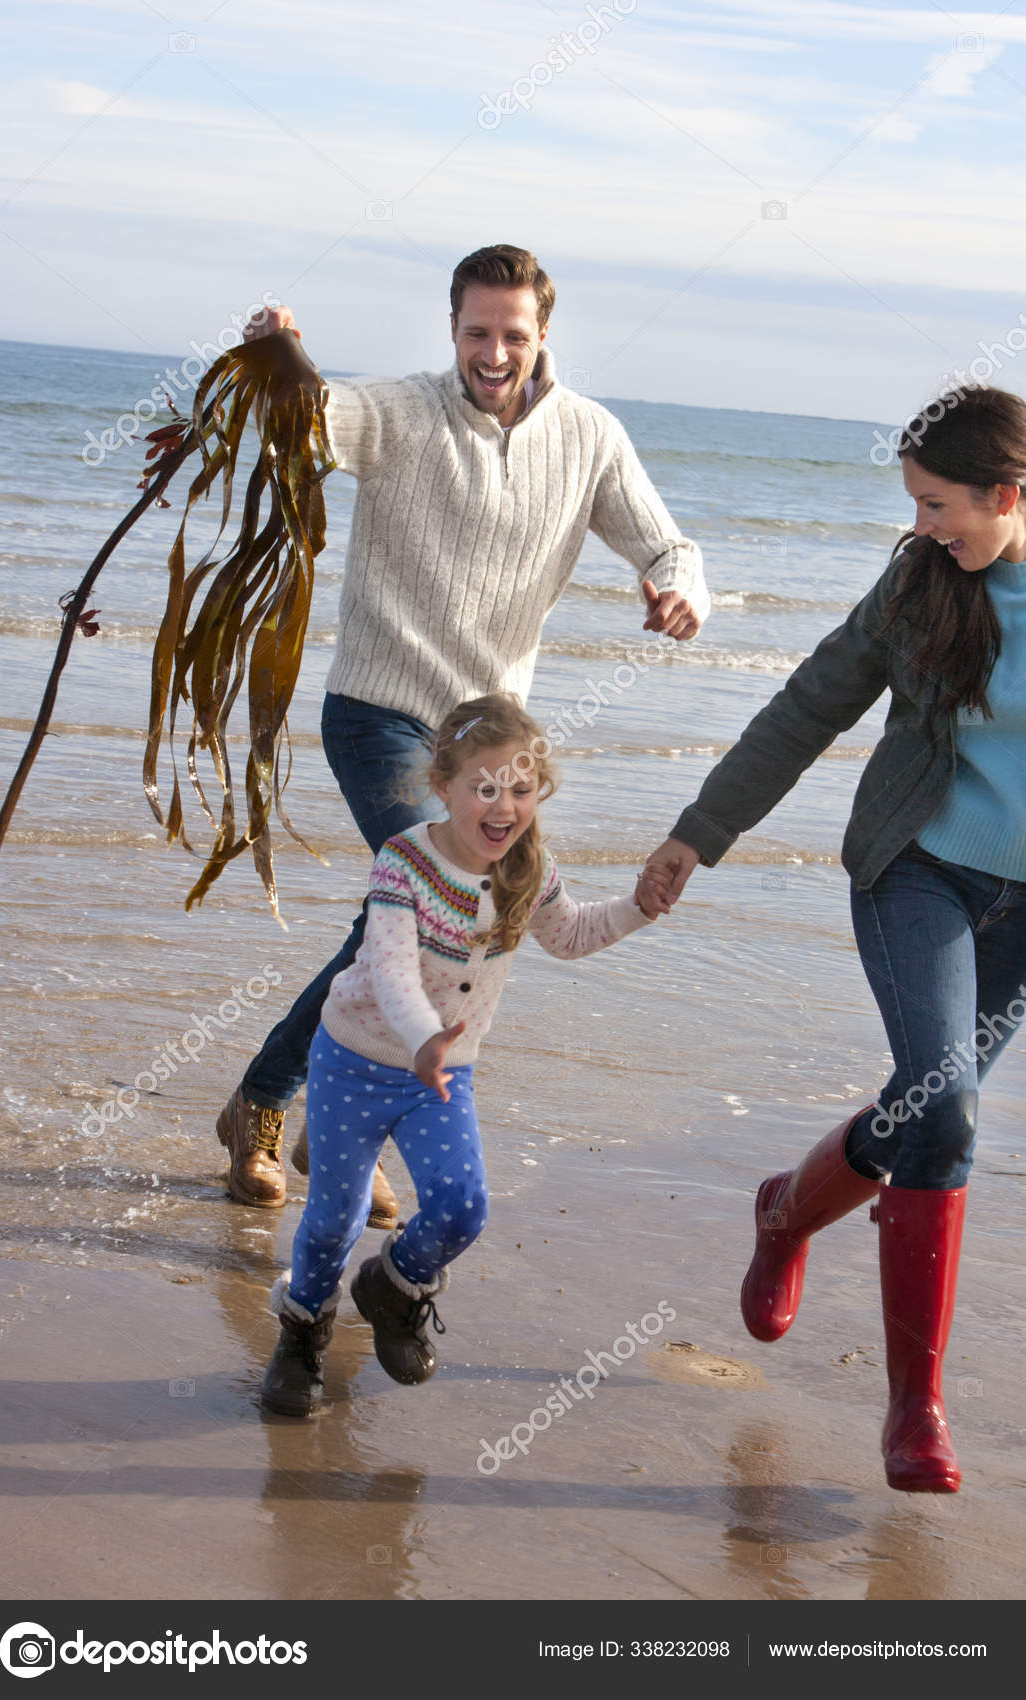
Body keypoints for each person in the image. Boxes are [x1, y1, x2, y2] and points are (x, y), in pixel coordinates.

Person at [217, 243, 709, 1219]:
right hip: (377, 713)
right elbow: (310, 421)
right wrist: (279, 361)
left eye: (512, 334)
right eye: (476, 331)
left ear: (540, 336)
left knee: (410, 917)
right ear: (451, 329)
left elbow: (666, 540)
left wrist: (679, 586)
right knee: (431, 895)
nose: (493, 352)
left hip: (489, 744)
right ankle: (293, 1109)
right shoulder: (400, 412)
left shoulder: (588, 438)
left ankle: (296, 1109)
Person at [642, 385, 1026, 1495]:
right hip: (918, 872)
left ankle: (784, 1210)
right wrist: (696, 833)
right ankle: (916, 1410)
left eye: (939, 504)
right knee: (943, 1106)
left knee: (921, 1106)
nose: (920, 526)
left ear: (1007, 494)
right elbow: (811, 704)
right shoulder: (917, 586)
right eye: (912, 502)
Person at [260, 693, 671, 1416]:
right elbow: (387, 967)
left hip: (440, 1080)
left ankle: (394, 1288)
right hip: (355, 1058)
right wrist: (421, 1038)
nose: (502, 806)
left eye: (519, 789)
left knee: (462, 1207)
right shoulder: (403, 862)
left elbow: (571, 934)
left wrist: (638, 906)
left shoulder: (529, 872)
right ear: (443, 786)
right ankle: (302, 1332)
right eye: (484, 787)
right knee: (334, 1219)